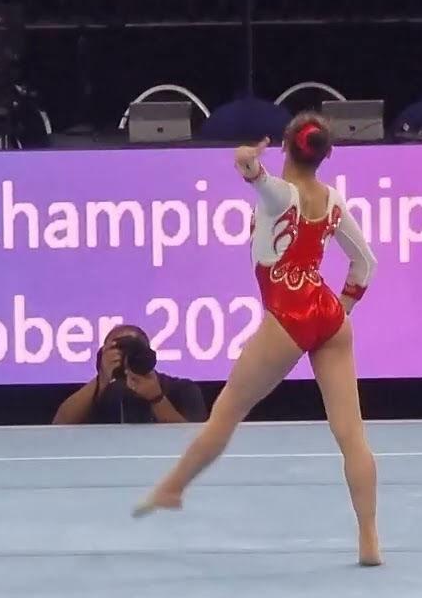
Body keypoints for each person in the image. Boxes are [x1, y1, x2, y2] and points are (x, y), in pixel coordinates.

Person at [132, 112, 383, 567]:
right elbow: (365, 263)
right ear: (324, 155)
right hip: (325, 310)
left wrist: (248, 164)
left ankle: (173, 487)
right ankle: (369, 540)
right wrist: (338, 311)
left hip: (288, 315)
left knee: (228, 409)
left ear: (286, 148)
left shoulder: (281, 193)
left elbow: (262, 182)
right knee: (351, 434)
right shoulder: (332, 201)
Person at [51, 324, 208, 425]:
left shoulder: (182, 389)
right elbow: (59, 427)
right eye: (118, 349)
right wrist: (101, 381)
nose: (125, 356)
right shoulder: (95, 395)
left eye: (132, 350)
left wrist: (157, 399)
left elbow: (193, 439)